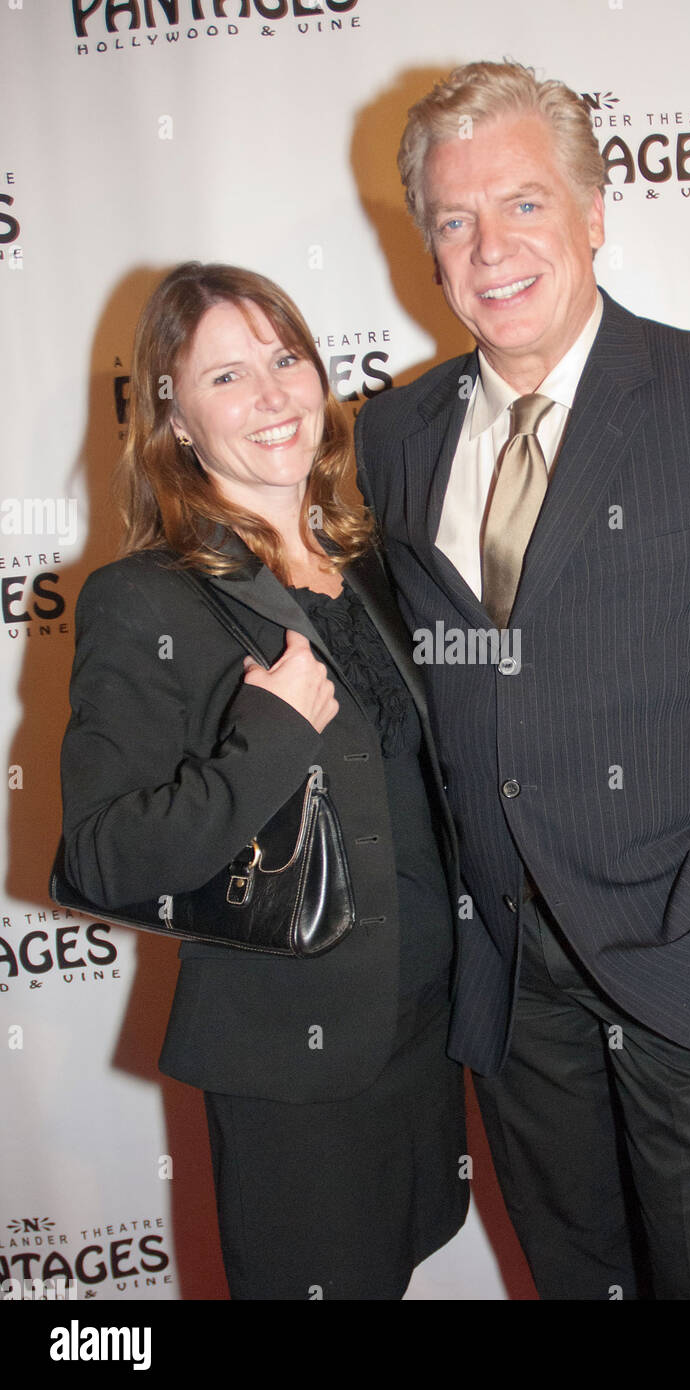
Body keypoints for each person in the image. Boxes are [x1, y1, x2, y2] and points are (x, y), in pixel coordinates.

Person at [354, 62, 690, 1300]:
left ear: (594, 212)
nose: (488, 246)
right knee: (575, 1277)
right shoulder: (396, 436)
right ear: (427, 245)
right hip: (505, 973)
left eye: (524, 204)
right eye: (453, 218)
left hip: (689, 951)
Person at [59, 262, 467, 1300]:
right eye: (227, 376)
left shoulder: (369, 559)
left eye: (285, 359)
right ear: (176, 418)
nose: (275, 393)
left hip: (427, 1033)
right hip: (297, 1067)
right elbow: (105, 855)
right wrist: (270, 736)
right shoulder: (143, 599)